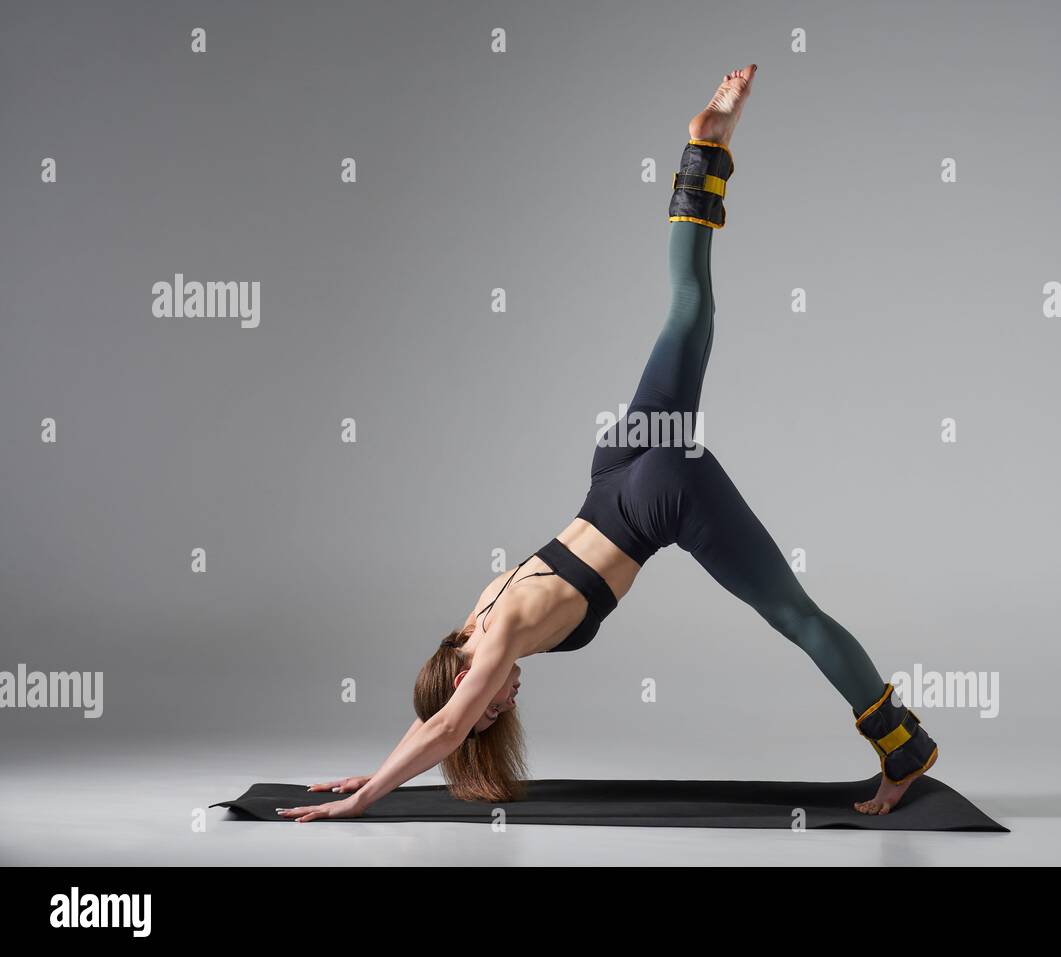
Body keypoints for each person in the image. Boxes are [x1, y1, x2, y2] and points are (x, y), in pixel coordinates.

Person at [278, 63, 937, 823]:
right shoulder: (474, 618)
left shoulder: (504, 639)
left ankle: (904, 747)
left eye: (492, 708)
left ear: (466, 680)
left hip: (656, 495)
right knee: (688, 313)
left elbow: (450, 722)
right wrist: (376, 766)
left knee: (797, 615)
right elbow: (440, 714)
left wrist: (364, 798)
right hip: (614, 467)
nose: (506, 702)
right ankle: (704, 154)